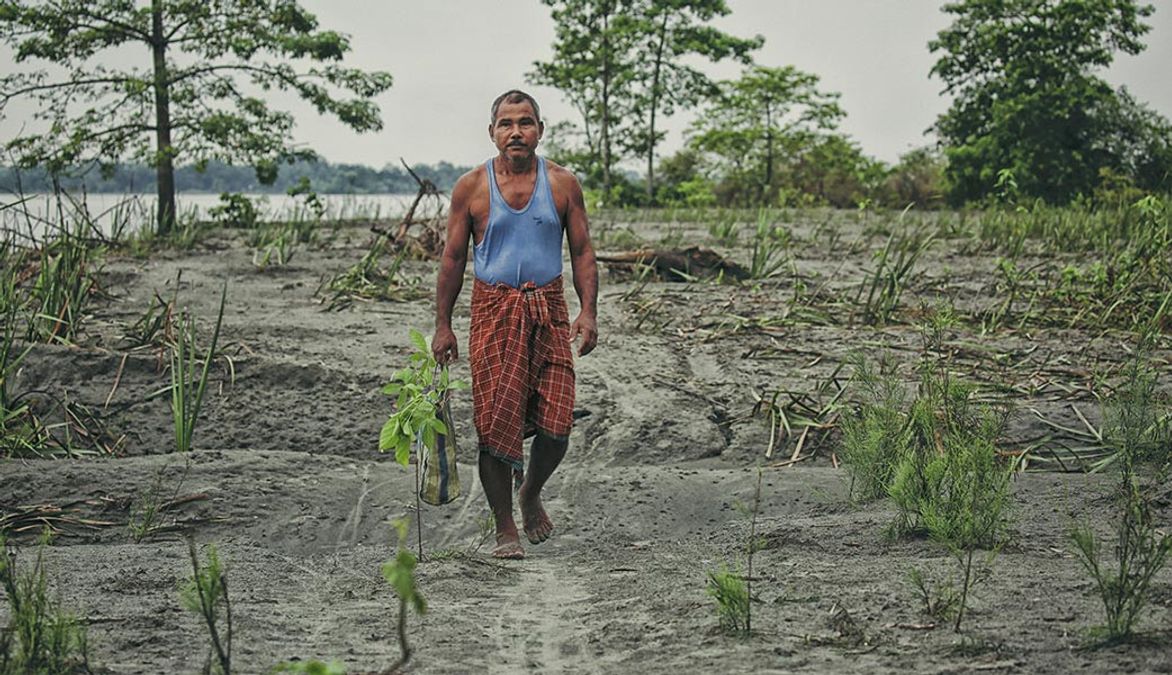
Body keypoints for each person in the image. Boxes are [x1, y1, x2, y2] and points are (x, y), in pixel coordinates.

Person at [432, 89, 598, 559]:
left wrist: (588, 311)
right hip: (492, 311)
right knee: (494, 423)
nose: (516, 132)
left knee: (558, 422)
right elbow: (453, 258)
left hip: (548, 308)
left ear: (540, 130)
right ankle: (506, 528)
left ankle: (530, 492)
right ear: (492, 133)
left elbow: (582, 251)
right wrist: (443, 325)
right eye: (506, 124)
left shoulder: (563, 184)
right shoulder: (471, 187)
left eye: (525, 122)